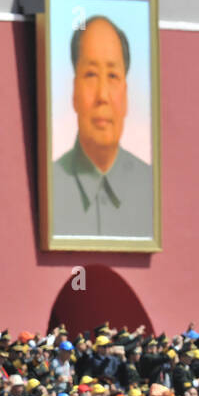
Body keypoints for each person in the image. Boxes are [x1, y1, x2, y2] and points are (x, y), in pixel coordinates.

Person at [50, 15, 153, 239]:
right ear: (74, 92)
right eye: (91, 75)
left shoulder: (152, 188)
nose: (102, 96)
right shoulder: (50, 186)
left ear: (126, 96)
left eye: (113, 76)